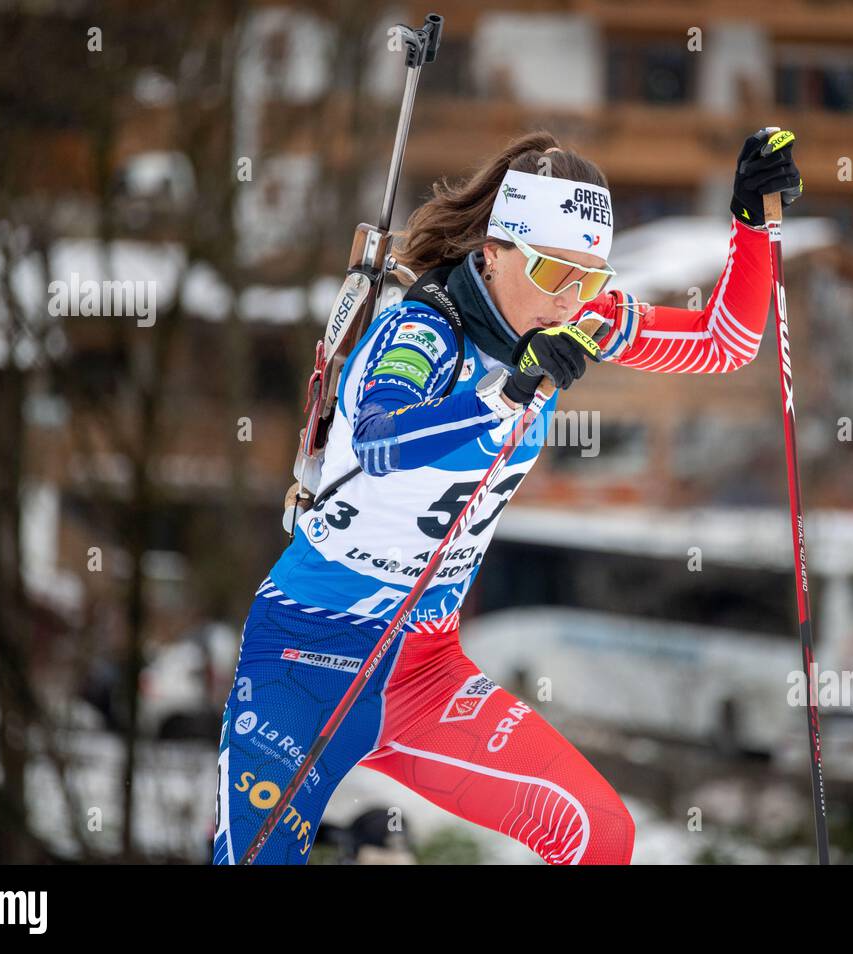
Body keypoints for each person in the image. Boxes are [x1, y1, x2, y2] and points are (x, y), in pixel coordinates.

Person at [212, 127, 803, 865]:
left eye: (592, 278)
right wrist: (506, 391)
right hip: (306, 654)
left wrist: (752, 226)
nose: (574, 301)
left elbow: (726, 342)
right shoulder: (425, 330)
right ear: (492, 253)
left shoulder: (575, 318)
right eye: (557, 273)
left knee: (598, 836)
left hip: (424, 672)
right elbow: (381, 440)